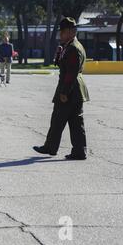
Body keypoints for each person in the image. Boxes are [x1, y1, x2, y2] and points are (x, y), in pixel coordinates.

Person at [33, 17, 90, 160]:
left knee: (58, 119)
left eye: (63, 32)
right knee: (76, 122)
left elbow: (71, 72)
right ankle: (79, 151)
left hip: (70, 88)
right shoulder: (70, 46)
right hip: (77, 89)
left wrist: (64, 92)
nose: (60, 35)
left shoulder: (73, 48)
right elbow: (66, 67)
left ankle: (50, 147)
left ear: (71, 32)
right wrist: (58, 57)